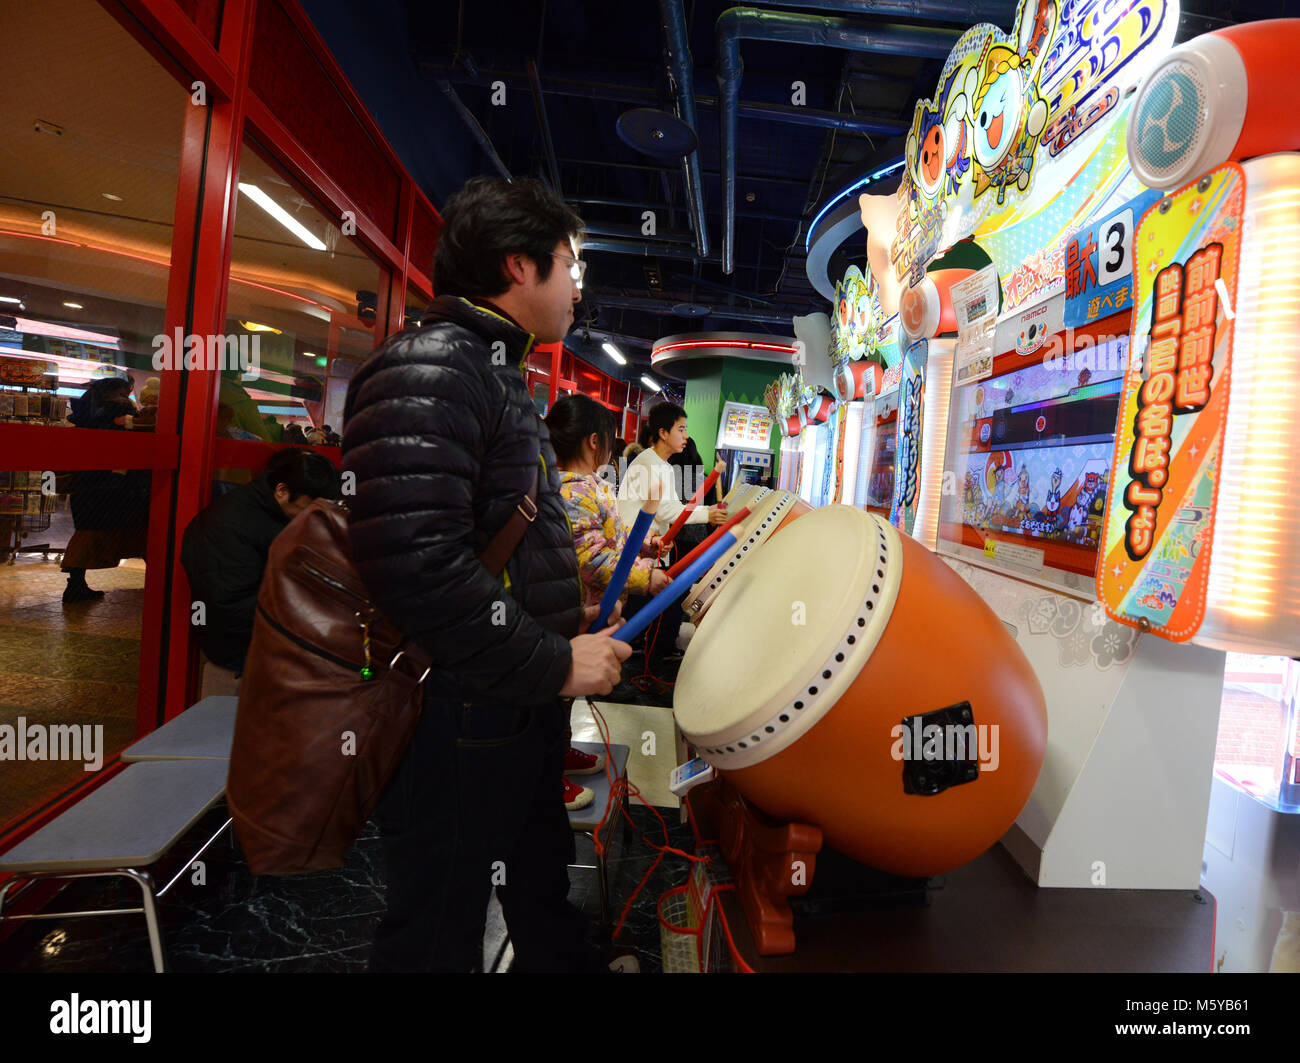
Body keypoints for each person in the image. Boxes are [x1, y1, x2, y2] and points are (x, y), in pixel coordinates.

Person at [342, 175, 633, 973]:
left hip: (507, 704)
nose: (577, 285)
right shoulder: (431, 369)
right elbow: (418, 566)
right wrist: (554, 659)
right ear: (518, 265)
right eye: (570, 264)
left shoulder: (494, 367)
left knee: (537, 882)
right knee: (436, 926)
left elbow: (496, 545)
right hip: (453, 715)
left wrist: (569, 631)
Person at [546, 394, 670, 810]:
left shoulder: (592, 487)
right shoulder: (570, 492)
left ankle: (560, 754)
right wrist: (644, 578)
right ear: (594, 442)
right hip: (568, 612)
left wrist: (646, 550)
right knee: (553, 693)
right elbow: (594, 560)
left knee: (566, 696)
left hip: (588, 611)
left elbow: (612, 545)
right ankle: (545, 774)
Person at [180, 448, 342, 687]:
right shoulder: (227, 526)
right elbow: (231, 605)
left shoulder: (281, 514)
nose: (313, 519)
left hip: (282, 627)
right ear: (282, 491)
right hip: (242, 642)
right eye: (308, 510)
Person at [617, 403, 727, 669]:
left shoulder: (661, 465)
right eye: (681, 429)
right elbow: (666, 510)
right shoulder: (648, 464)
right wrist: (707, 514)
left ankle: (633, 664)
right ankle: (623, 669)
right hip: (631, 552)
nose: (685, 435)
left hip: (646, 549)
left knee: (643, 612)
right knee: (628, 615)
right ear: (663, 432)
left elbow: (667, 511)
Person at [60, 377, 149, 602]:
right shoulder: (118, 409)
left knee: (88, 533)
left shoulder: (86, 412)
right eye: (125, 392)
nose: (127, 396)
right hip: (116, 483)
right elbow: (134, 435)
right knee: (139, 532)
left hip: (87, 483)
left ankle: (76, 584)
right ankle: (163, 582)